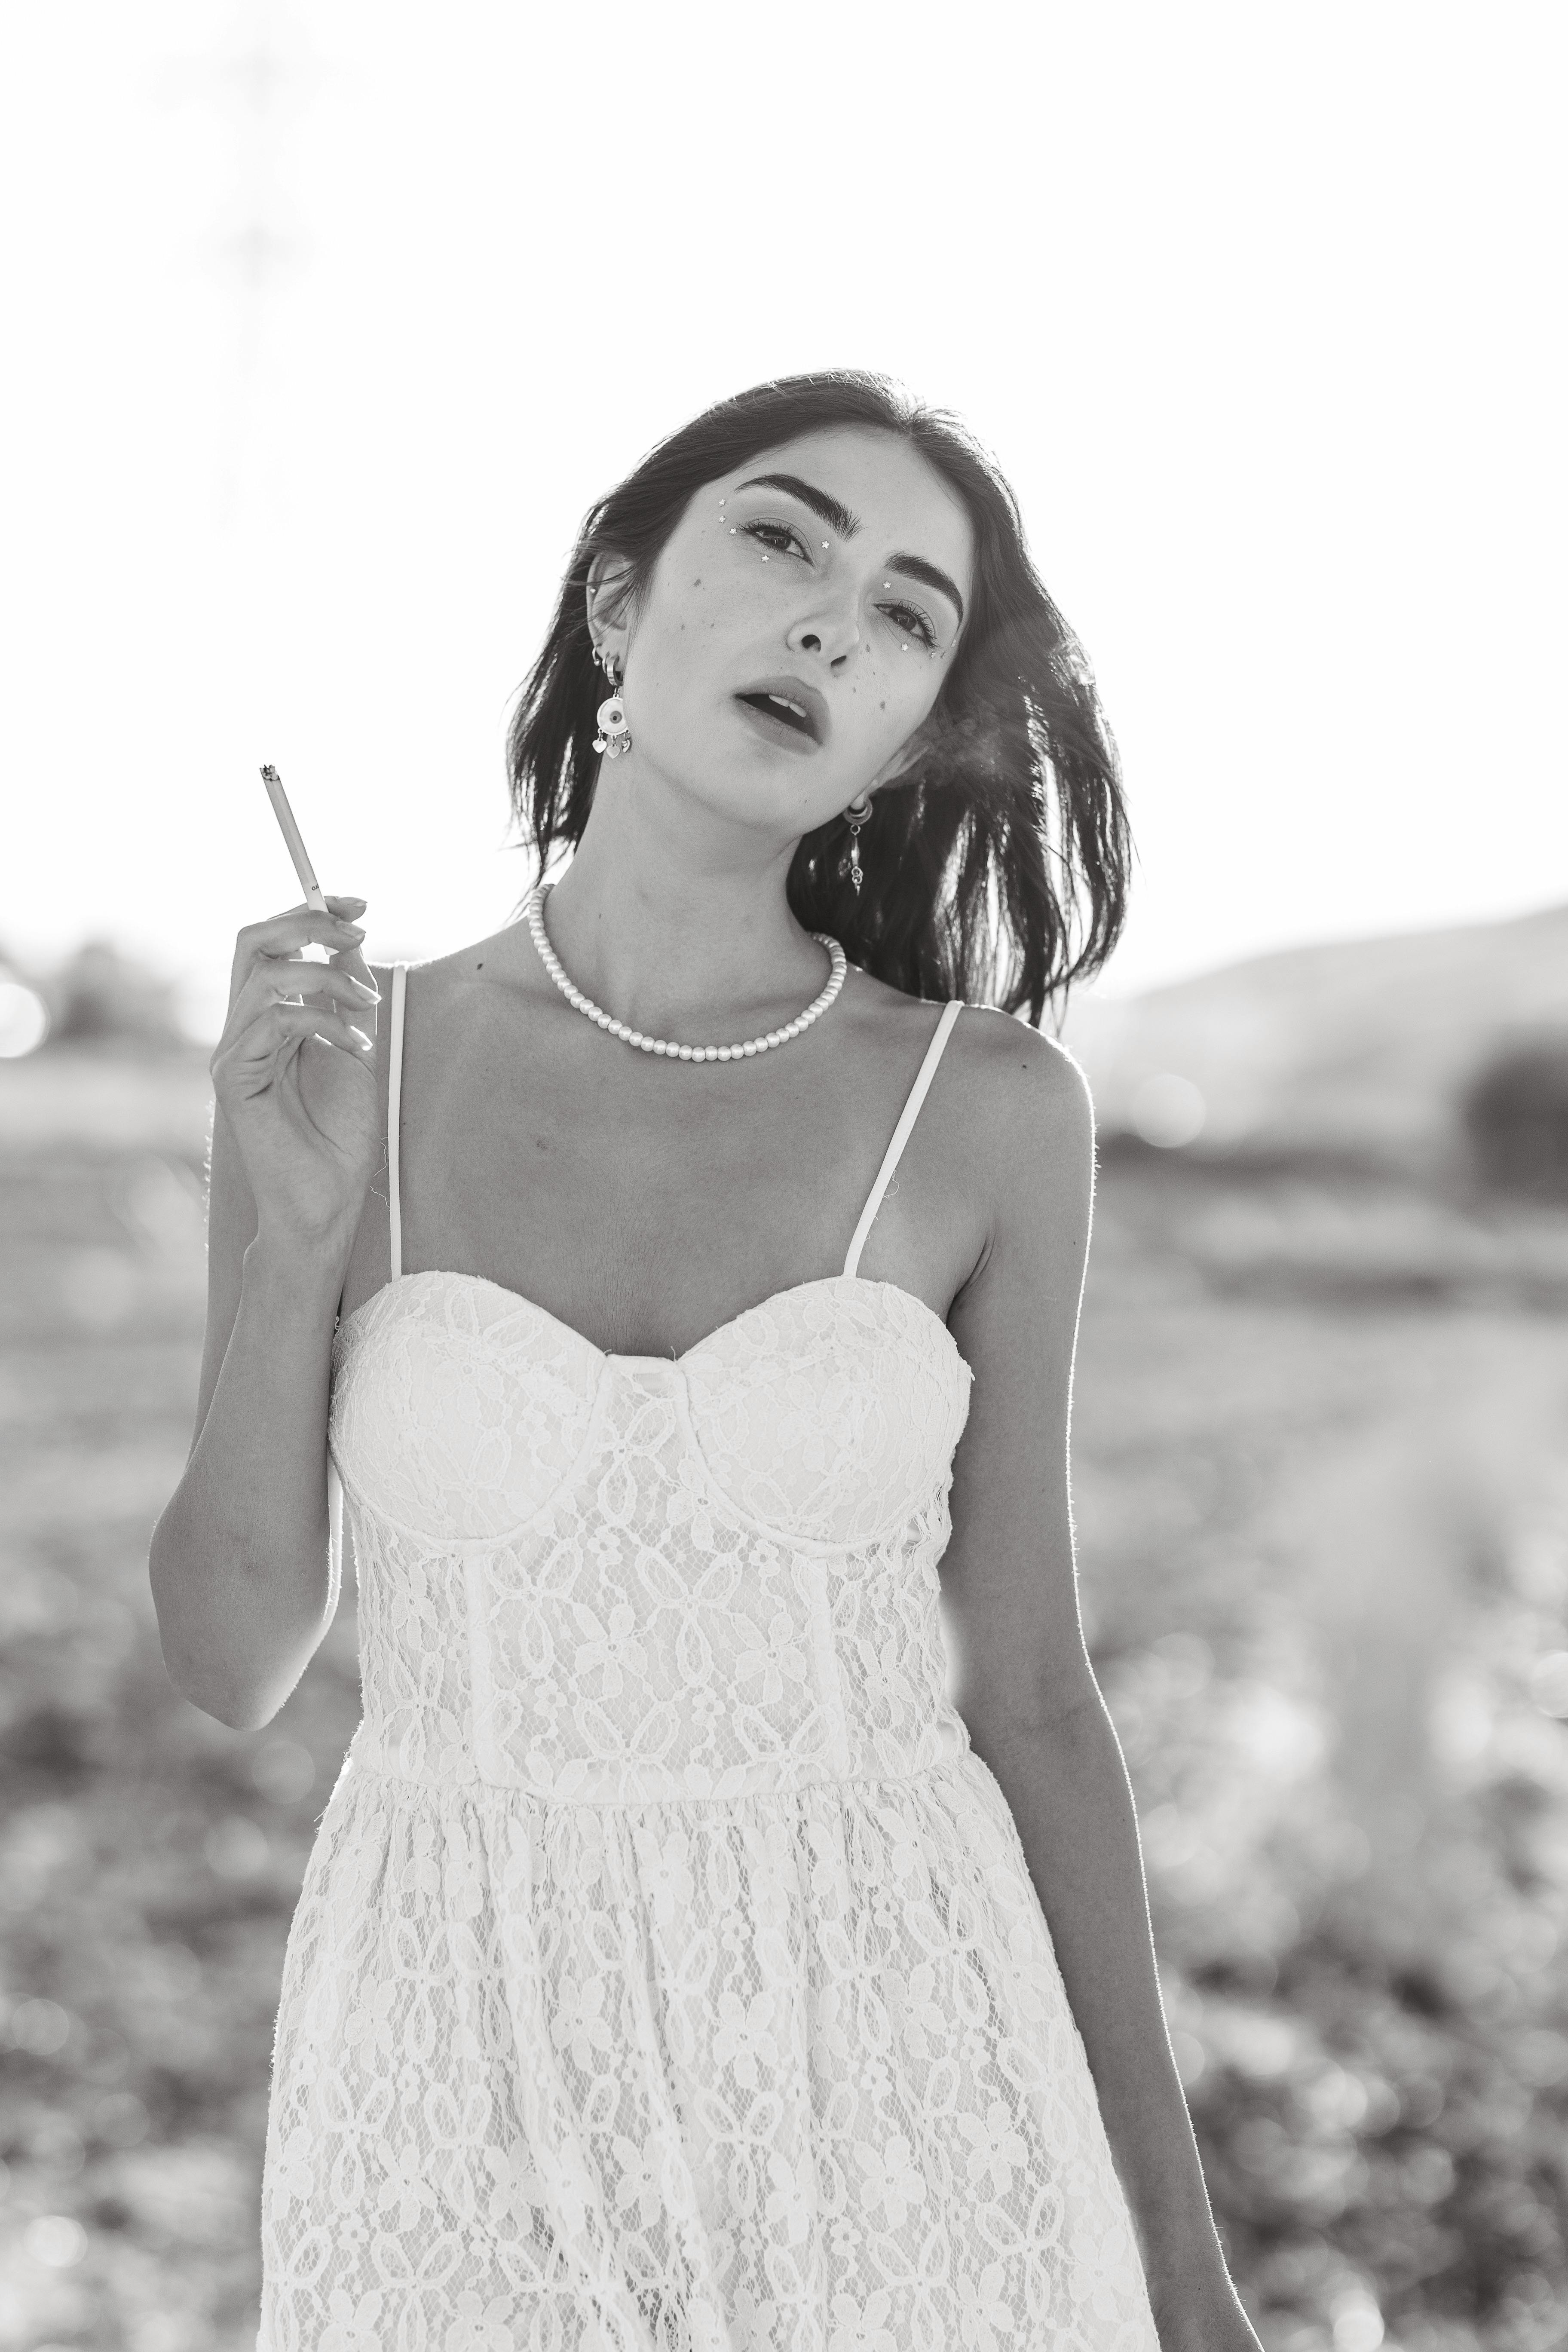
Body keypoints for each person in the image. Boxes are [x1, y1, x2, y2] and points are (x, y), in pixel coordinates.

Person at [150, 371, 1261, 2352]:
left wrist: (1183, 2273)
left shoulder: (987, 1112)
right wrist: (302, 1234)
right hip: (456, 2054)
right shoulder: (346, 1072)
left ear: (908, 731)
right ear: (614, 608)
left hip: (908, 2044)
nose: (836, 621)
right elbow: (232, 1662)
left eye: (910, 613)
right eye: (782, 539)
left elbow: (1031, 1689)